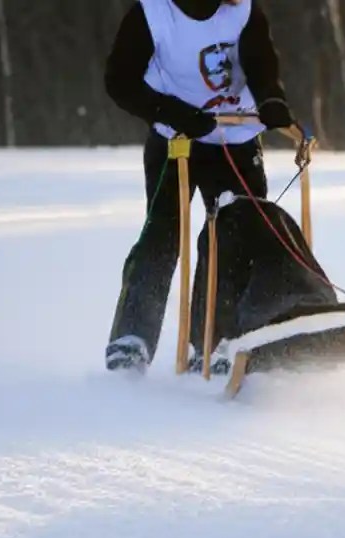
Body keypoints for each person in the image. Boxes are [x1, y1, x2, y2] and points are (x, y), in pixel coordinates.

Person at [102, 0, 300, 373]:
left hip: (234, 136)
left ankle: (216, 342)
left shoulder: (242, 10)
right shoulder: (153, 12)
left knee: (233, 240)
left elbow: (261, 64)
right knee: (162, 235)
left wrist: (272, 100)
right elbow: (120, 81)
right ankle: (132, 340)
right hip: (175, 134)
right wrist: (171, 111)